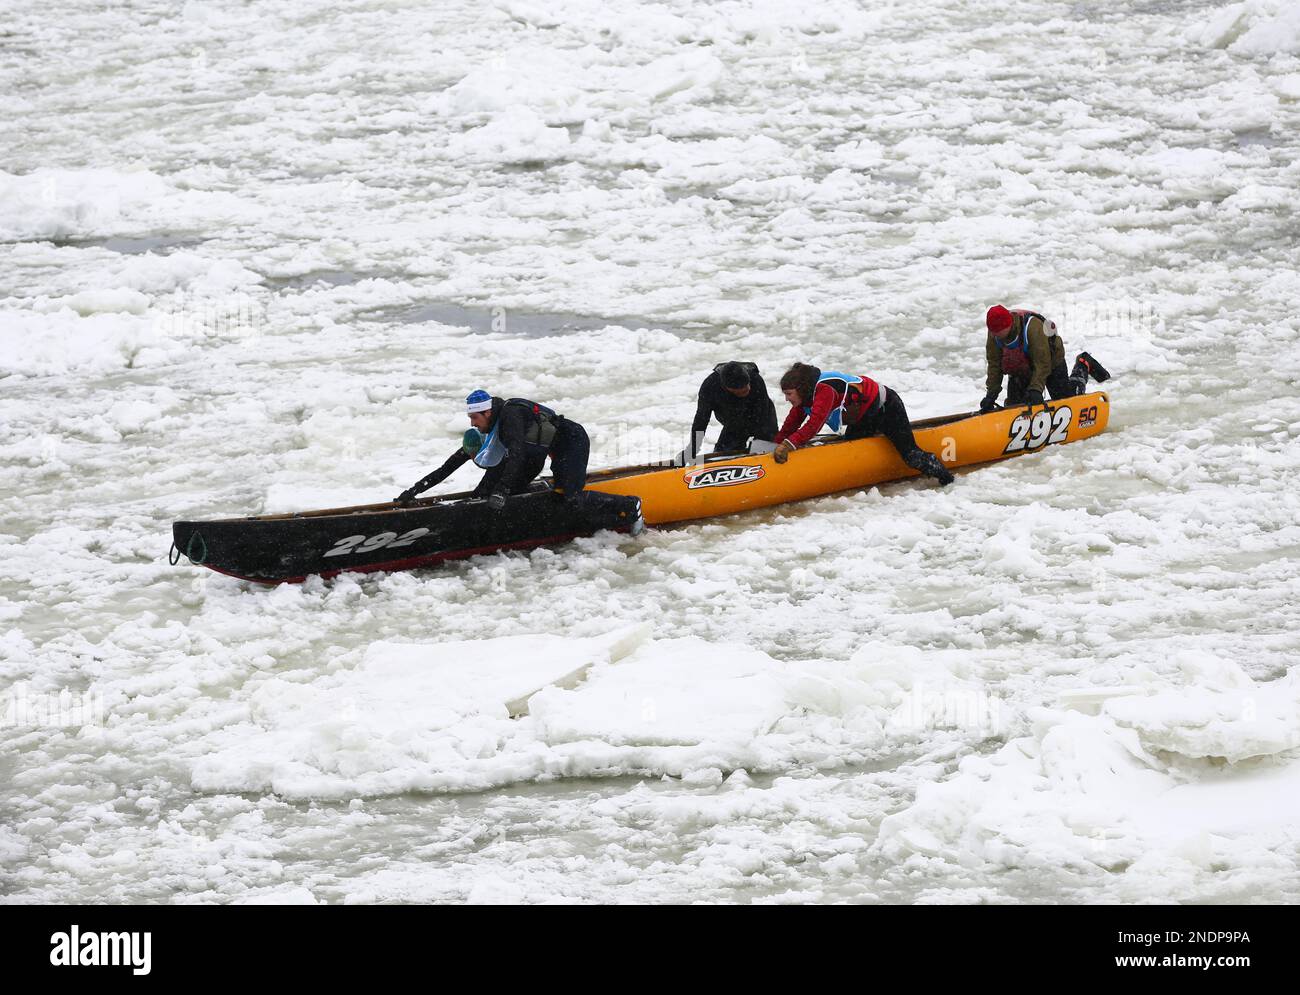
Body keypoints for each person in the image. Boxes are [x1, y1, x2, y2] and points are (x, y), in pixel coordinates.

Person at [395, 389, 591, 510]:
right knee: (483, 493)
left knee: (567, 496)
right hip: (534, 453)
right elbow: (447, 468)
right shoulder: (482, 438)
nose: (472, 423)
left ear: (487, 412)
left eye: (474, 418)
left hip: (570, 440)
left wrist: (502, 491)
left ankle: (605, 505)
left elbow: (517, 455)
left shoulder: (510, 418)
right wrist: (413, 491)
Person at [772, 363, 954, 485]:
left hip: (886, 408)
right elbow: (791, 424)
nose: (787, 399)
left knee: (911, 456)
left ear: (801, 388)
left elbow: (814, 425)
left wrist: (788, 445)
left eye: (789, 394)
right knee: (850, 447)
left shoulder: (824, 390)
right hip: (865, 416)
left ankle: (947, 478)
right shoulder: (805, 396)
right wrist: (775, 445)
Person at [981, 304, 1110, 411]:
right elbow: (994, 365)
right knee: (1014, 406)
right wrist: (991, 394)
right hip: (1021, 366)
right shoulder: (994, 333)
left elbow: (1043, 364)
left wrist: (1036, 389)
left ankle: (1083, 363)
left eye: (999, 332)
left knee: (1065, 402)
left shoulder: (1033, 328)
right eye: (993, 332)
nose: (996, 335)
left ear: (1008, 325)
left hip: (1050, 361)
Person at [673, 361, 778, 465]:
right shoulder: (710, 387)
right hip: (734, 422)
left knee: (765, 448)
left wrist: (759, 447)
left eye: (747, 385)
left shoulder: (755, 379)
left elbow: (763, 416)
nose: (748, 389)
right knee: (723, 456)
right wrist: (692, 449)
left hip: (762, 417)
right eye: (741, 391)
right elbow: (701, 420)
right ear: (727, 388)